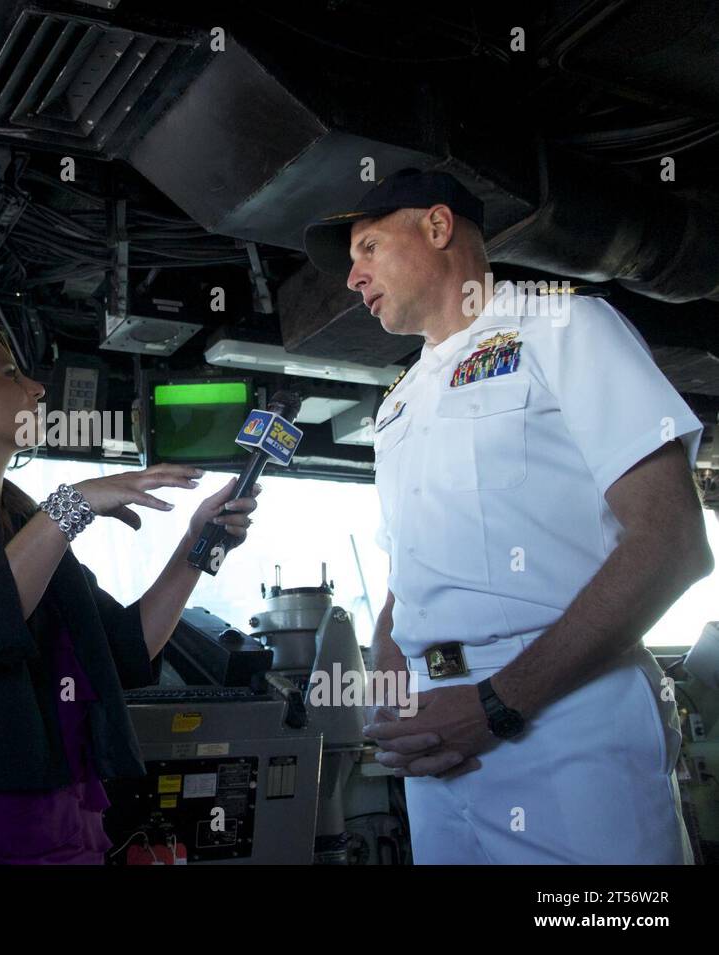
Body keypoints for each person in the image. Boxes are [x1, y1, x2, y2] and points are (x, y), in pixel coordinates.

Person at [303, 167, 713, 864]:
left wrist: (498, 703)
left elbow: (672, 541)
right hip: (439, 738)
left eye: (367, 248)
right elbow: (409, 571)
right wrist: (393, 676)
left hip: (565, 720)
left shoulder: (565, 327)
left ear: (437, 228)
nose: (352, 278)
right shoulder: (397, 403)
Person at [0, 320, 261, 864]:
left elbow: (125, 649)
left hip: (61, 815)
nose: (38, 388)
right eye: (10, 373)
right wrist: (69, 508)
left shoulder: (26, 524)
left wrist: (195, 546)